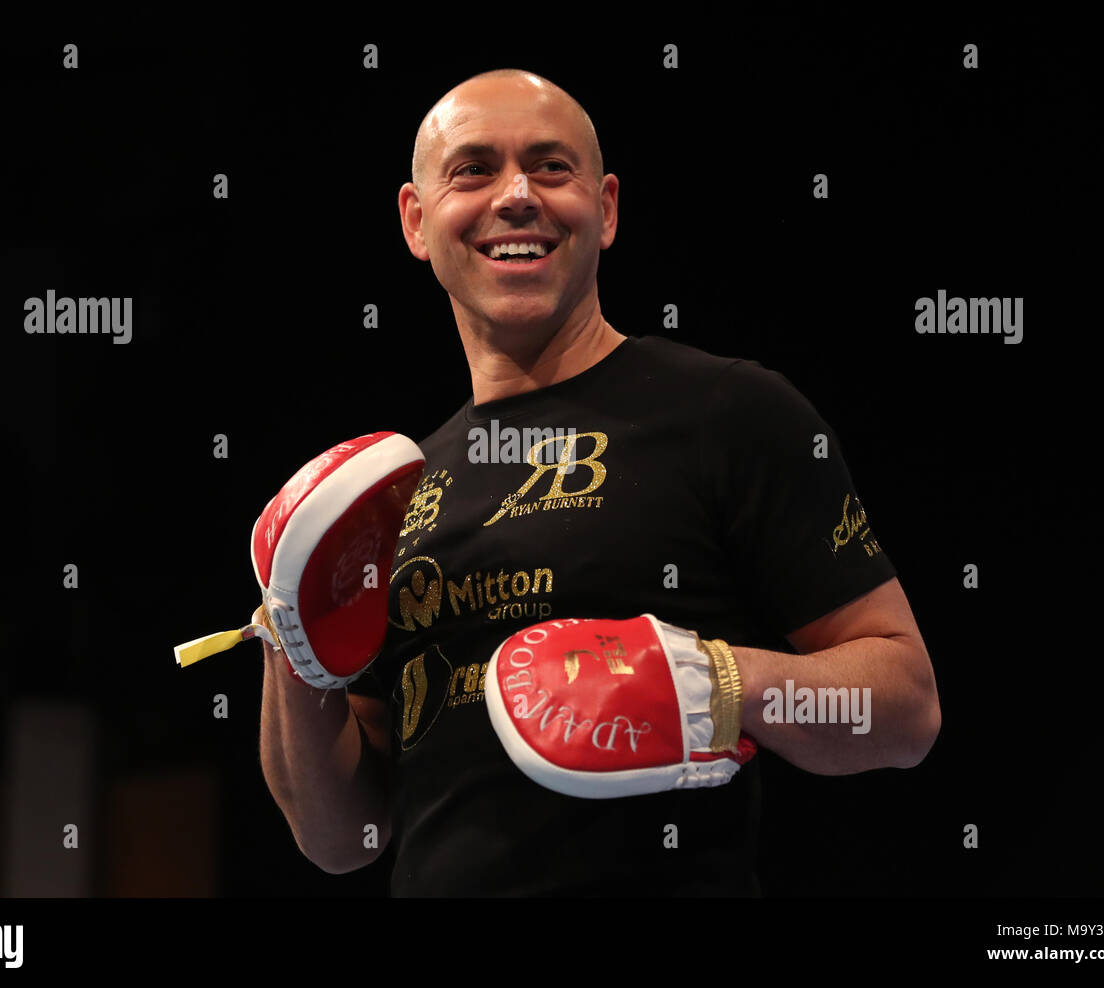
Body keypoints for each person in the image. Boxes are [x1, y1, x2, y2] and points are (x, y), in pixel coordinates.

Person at [258, 68, 941, 896]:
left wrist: (717, 682)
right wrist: (295, 644)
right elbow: (343, 841)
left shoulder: (727, 411)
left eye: (551, 167)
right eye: (473, 169)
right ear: (416, 220)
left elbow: (904, 711)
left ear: (606, 208)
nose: (516, 195)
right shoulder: (393, 494)